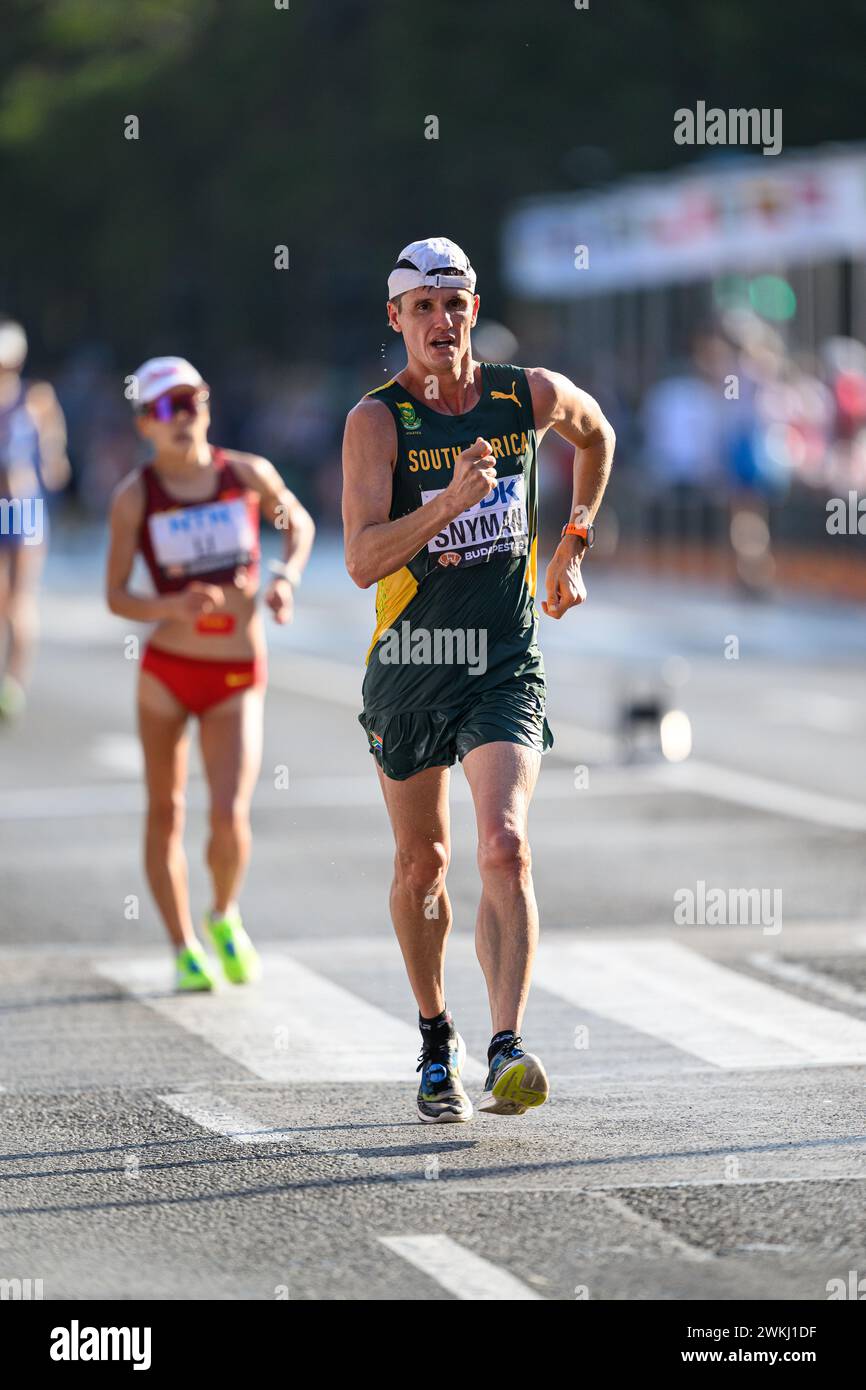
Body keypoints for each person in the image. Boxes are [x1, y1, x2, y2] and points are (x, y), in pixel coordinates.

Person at [342, 238, 615, 1122]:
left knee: (505, 846)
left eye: (453, 303)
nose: (440, 321)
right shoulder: (377, 422)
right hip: (413, 667)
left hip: (502, 661)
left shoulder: (520, 394)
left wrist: (574, 540)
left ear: (472, 308)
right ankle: (434, 1036)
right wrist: (447, 506)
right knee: (424, 861)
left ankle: (507, 1045)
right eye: (421, 308)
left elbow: (597, 433)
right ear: (397, 321)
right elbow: (358, 559)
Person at [106, 357, 314, 991]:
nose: (184, 415)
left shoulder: (246, 474)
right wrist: (170, 606)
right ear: (146, 422)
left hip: (235, 673)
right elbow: (116, 594)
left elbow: (297, 523)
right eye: (168, 407)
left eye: (193, 399)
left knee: (228, 814)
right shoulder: (135, 496)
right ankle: (182, 945)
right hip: (168, 672)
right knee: (165, 810)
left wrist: (284, 578)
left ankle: (223, 912)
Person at [0, 318, 70, 718]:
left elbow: (54, 459)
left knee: (20, 598)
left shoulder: (35, 398)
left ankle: (14, 683)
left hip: (21, 508)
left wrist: (43, 464)